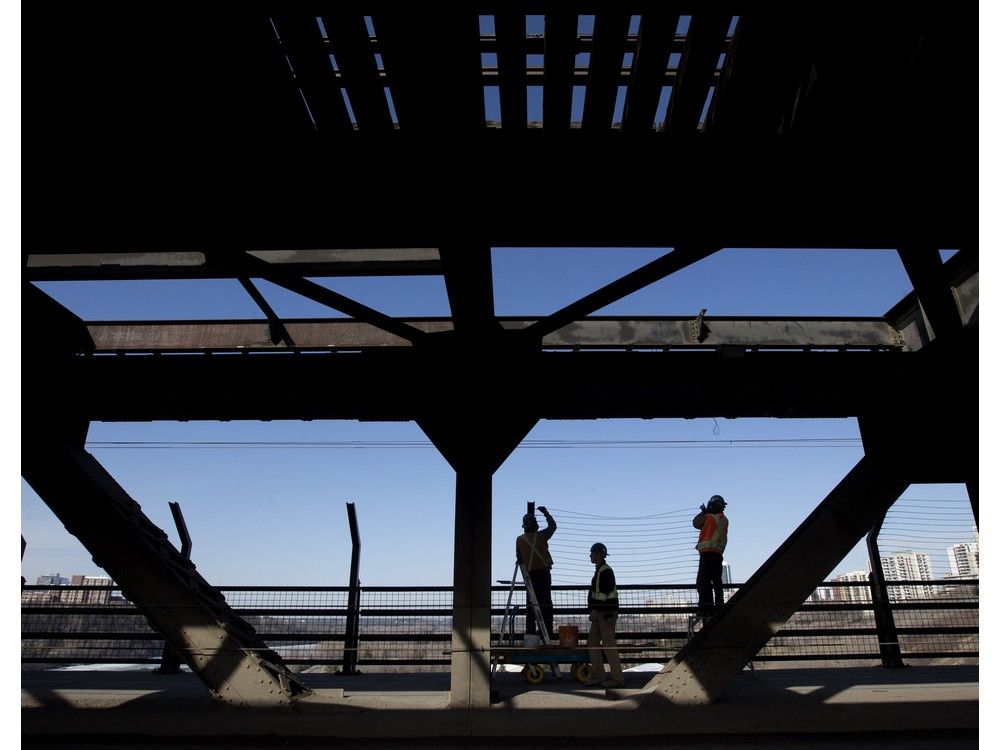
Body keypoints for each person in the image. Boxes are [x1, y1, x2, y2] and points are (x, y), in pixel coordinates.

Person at [585, 542, 624, 688]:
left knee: (608, 645)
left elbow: (603, 594)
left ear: (597, 554)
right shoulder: (601, 570)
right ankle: (599, 676)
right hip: (602, 613)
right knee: (593, 643)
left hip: (605, 613)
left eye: (591, 553)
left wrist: (595, 610)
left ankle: (617, 679)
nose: (590, 555)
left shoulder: (605, 571)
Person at [516, 505, 556, 641]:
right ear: (535, 525)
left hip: (530, 576)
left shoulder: (519, 540)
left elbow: (519, 559)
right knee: (546, 604)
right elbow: (553, 526)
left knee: (531, 605)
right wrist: (546, 513)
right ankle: (547, 635)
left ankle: (531, 635)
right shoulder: (541, 536)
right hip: (544, 574)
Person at [693, 494, 729, 617]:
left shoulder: (708, 517)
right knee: (717, 582)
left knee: (703, 583)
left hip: (707, 554)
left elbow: (696, 523)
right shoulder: (724, 519)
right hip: (718, 555)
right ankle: (719, 608)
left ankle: (705, 608)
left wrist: (704, 512)